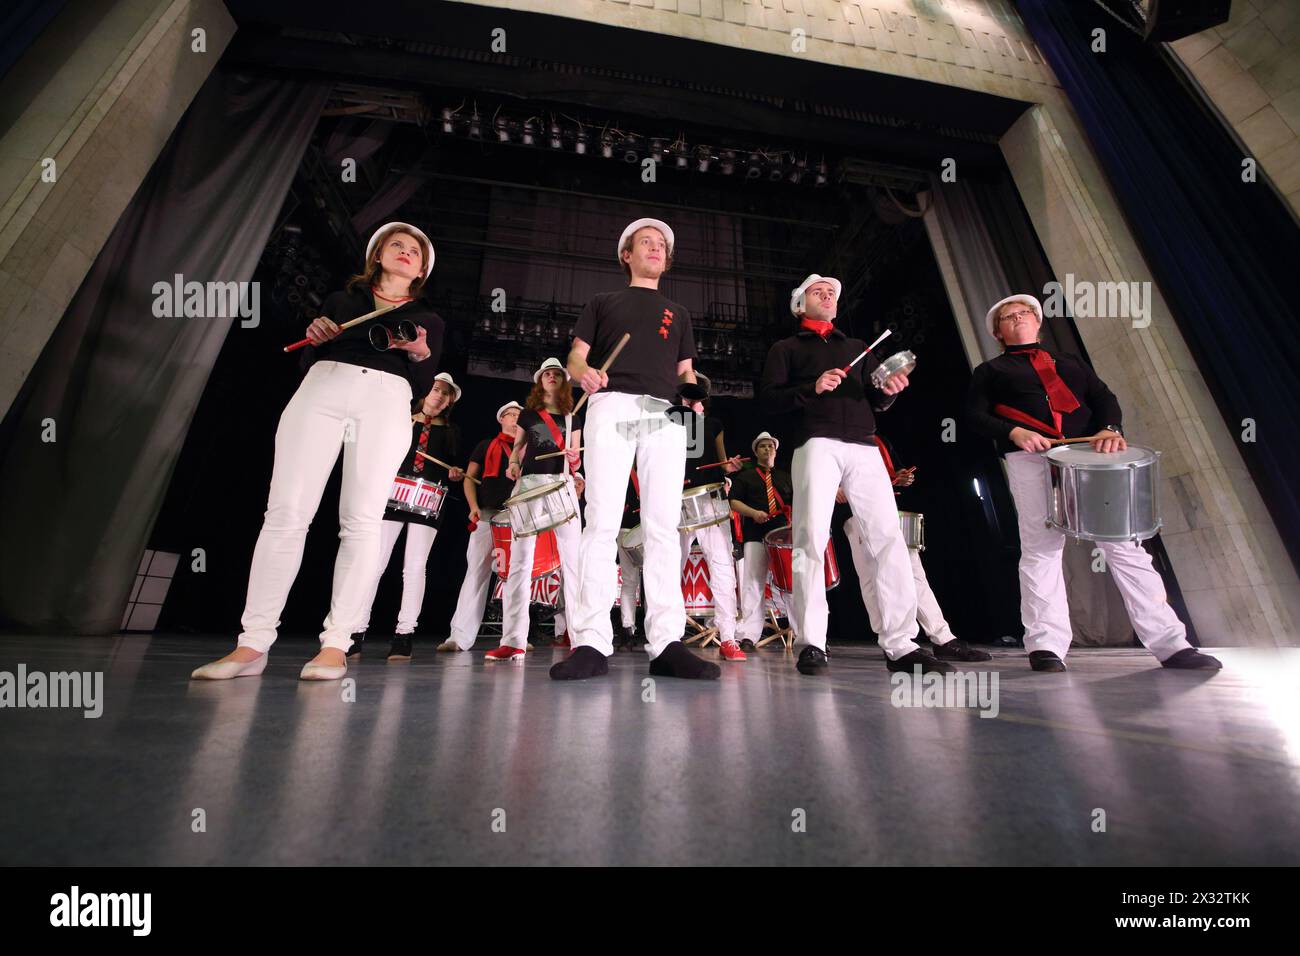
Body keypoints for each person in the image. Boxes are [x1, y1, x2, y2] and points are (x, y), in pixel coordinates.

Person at [192, 223, 442, 681]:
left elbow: (422, 389)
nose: (406, 253)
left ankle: (337, 642)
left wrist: (422, 354)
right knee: (286, 512)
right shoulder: (341, 300)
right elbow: (307, 358)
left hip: (387, 400)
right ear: (378, 254)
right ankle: (252, 642)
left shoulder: (429, 318)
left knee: (363, 520)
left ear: (423, 268)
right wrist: (317, 334)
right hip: (323, 386)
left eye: (415, 251)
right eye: (397, 245)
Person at [965, 293, 1221, 672]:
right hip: (1031, 458)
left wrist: (1110, 428)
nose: (1017, 318)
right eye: (1008, 317)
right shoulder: (990, 371)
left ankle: (1171, 644)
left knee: (1124, 546)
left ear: (1038, 321)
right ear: (998, 332)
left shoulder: (1069, 363)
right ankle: (1046, 645)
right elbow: (973, 416)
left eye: (1024, 313)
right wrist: (1014, 431)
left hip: (1088, 458)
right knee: (1041, 548)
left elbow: (1105, 399)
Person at [760, 273, 952, 677]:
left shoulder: (859, 347)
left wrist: (890, 390)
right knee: (810, 539)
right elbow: (769, 401)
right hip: (816, 443)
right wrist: (812, 387)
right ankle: (813, 642)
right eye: (818, 291)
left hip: (865, 446)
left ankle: (901, 645)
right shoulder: (785, 348)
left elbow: (877, 399)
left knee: (888, 541)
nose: (828, 295)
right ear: (799, 305)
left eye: (832, 292)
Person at [552, 217, 719, 680]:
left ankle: (666, 642)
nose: (654, 247)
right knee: (602, 520)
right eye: (645, 242)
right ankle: (591, 641)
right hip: (611, 404)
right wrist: (583, 373)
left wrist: (694, 396)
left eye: (661, 244)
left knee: (664, 526)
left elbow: (687, 371)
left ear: (667, 260)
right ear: (626, 254)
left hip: (665, 413)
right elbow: (576, 357)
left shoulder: (678, 313)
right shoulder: (602, 302)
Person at [841, 434, 990, 661]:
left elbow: (894, 471)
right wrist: (835, 489)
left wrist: (901, 477)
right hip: (856, 514)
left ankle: (943, 638)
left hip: (890, 509)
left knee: (915, 574)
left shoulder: (880, 439)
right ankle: (890, 639)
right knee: (872, 579)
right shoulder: (837, 437)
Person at [349, 372, 464, 662]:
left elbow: (450, 466)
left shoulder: (451, 431)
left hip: (426, 501)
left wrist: (453, 472)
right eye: (435, 389)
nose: (438, 395)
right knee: (375, 564)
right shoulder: (401, 419)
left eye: (445, 393)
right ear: (426, 392)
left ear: (449, 401)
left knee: (414, 568)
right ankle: (355, 630)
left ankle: (404, 634)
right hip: (392, 496)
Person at [486, 358, 585, 662]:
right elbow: (517, 448)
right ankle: (514, 640)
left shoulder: (573, 418)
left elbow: (578, 459)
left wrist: (574, 459)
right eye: (547, 374)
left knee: (573, 562)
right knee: (520, 562)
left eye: (557, 373)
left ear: (563, 381)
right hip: (529, 485)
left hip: (561, 484)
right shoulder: (528, 416)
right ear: (540, 381)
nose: (552, 377)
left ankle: (581, 638)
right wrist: (513, 464)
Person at [439, 402, 522, 652]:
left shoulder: (527, 448)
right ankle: (459, 636)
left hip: (517, 519)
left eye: (520, 415)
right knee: (476, 574)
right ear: (501, 419)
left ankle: (516, 636)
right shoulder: (486, 445)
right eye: (511, 414)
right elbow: (468, 479)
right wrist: (473, 506)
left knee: (515, 578)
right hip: (487, 515)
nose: (516, 418)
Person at [677, 373, 746, 661]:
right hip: (677, 500)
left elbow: (722, 459)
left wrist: (729, 468)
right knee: (670, 566)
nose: (691, 397)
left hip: (710, 498)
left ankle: (728, 637)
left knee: (722, 567)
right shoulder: (669, 420)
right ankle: (669, 636)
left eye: (697, 393)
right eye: (687, 393)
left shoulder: (714, 424)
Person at [729, 431, 792, 651]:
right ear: (755, 451)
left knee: (789, 585)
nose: (767, 449)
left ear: (776, 450)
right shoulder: (745, 477)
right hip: (755, 533)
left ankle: (804, 633)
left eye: (770, 446)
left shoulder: (785, 476)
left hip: (783, 536)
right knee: (753, 583)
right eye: (762, 446)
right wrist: (753, 513)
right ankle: (749, 635)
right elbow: (734, 502)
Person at [613, 469, 644, 651]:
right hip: (631, 530)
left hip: (636, 529)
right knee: (633, 581)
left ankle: (630, 632)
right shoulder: (624, 473)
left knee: (631, 582)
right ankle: (629, 630)